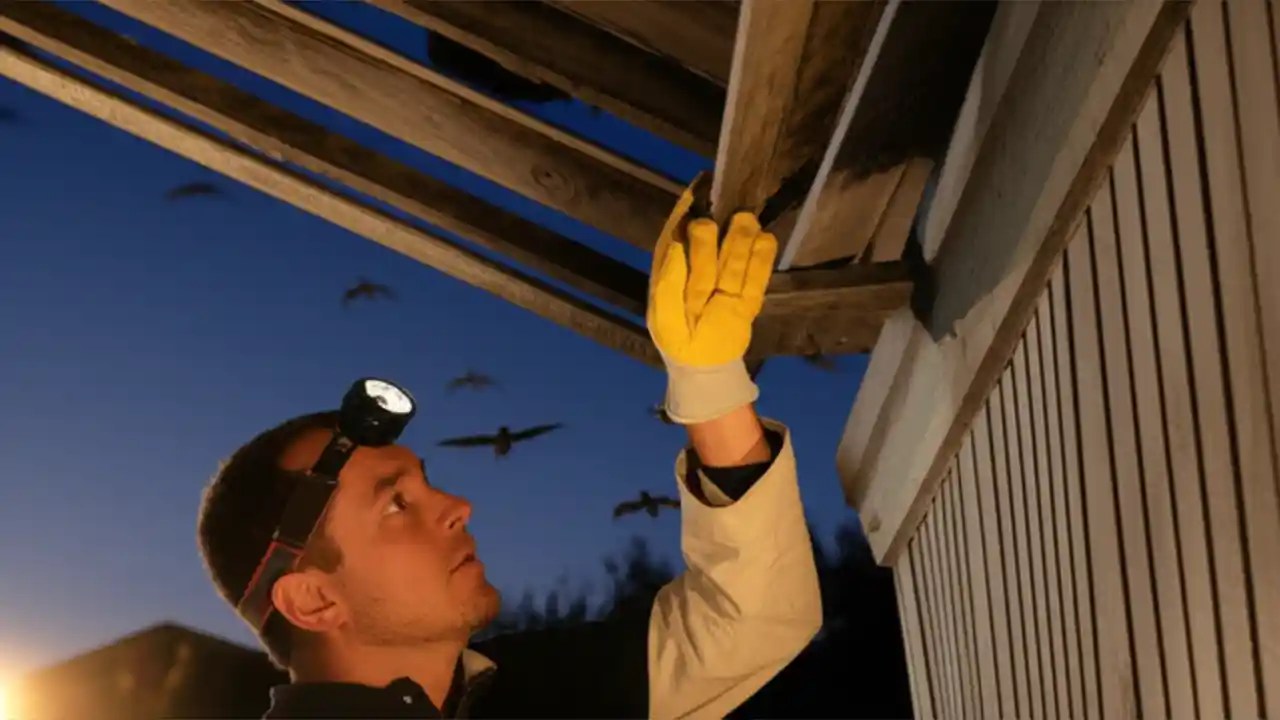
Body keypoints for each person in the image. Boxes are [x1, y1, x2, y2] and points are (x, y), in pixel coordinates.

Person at [196, 180, 823, 719]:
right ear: (313, 599)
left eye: (423, 484)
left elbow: (751, 621)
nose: (458, 506)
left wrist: (709, 380)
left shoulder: (548, 689)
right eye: (395, 506)